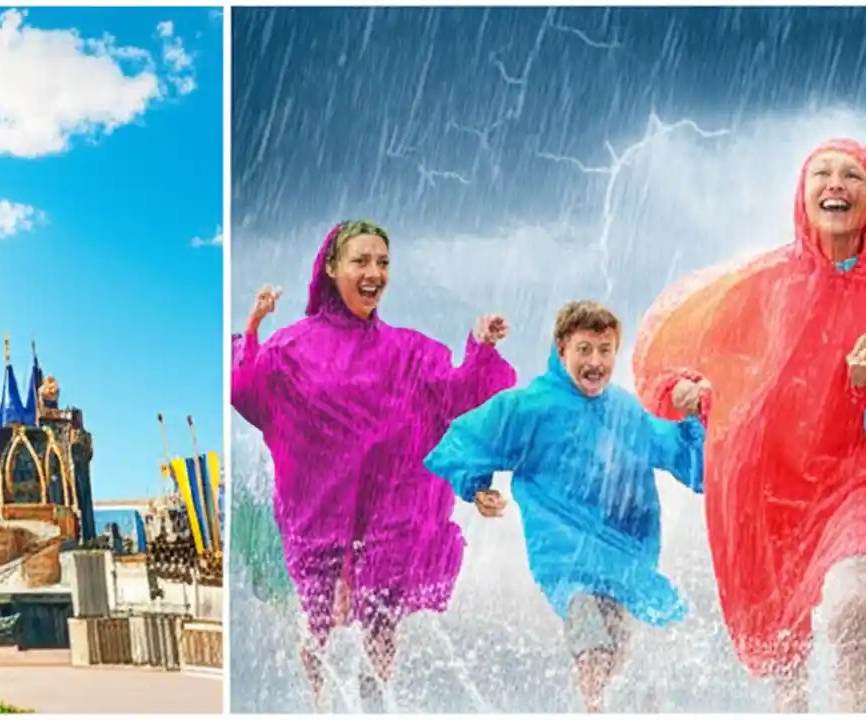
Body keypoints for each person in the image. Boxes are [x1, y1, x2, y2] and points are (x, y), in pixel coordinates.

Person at [231, 219, 516, 710]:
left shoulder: (408, 353)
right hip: (318, 512)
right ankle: (317, 703)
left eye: (382, 262)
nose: (374, 272)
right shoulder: (292, 348)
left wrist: (480, 347)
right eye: (361, 260)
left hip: (390, 510)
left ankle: (376, 699)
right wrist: (254, 328)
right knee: (319, 624)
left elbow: (455, 399)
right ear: (332, 268)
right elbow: (247, 390)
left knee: (381, 617)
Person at [633, 139, 866, 712]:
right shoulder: (767, 287)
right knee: (784, 649)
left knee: (850, 606)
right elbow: (670, 349)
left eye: (853, 175)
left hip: (855, 484)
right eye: (823, 173)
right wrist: (680, 390)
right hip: (774, 491)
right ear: (802, 194)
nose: (836, 184)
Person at [423, 300, 710, 713]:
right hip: (563, 555)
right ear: (562, 351)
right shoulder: (530, 407)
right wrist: (475, 484)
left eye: (605, 349)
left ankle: (609, 707)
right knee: (589, 635)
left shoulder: (625, 412)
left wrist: (695, 417)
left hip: (623, 555)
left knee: (621, 656)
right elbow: (468, 436)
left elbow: (682, 457)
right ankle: (590, 709)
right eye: (584, 349)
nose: (595, 361)